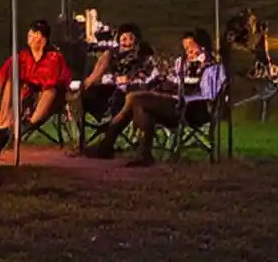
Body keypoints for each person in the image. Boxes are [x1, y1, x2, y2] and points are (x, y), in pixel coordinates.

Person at [85, 28, 223, 166]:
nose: (189, 52)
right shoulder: (182, 64)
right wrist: (170, 84)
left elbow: (209, 98)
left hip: (192, 109)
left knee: (135, 98)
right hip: (175, 103)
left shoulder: (212, 68)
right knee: (141, 106)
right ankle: (141, 154)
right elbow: (176, 81)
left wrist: (188, 86)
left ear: (203, 46)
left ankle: (108, 146)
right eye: (186, 48)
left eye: (192, 47)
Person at [0, 20, 72, 132]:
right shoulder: (22, 57)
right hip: (27, 95)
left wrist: (32, 83)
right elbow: (6, 72)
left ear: (42, 39)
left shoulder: (54, 58)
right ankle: (1, 124)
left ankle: (29, 125)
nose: (30, 35)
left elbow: (53, 80)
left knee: (49, 90)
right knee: (10, 82)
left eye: (35, 33)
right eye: (31, 32)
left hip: (49, 98)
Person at [80, 23, 156, 120]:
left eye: (131, 39)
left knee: (119, 93)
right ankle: (100, 113)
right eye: (124, 39)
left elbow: (147, 74)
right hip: (114, 85)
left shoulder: (143, 55)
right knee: (92, 92)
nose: (127, 43)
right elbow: (108, 74)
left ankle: (113, 118)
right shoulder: (114, 54)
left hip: (134, 89)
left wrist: (131, 79)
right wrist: (113, 79)